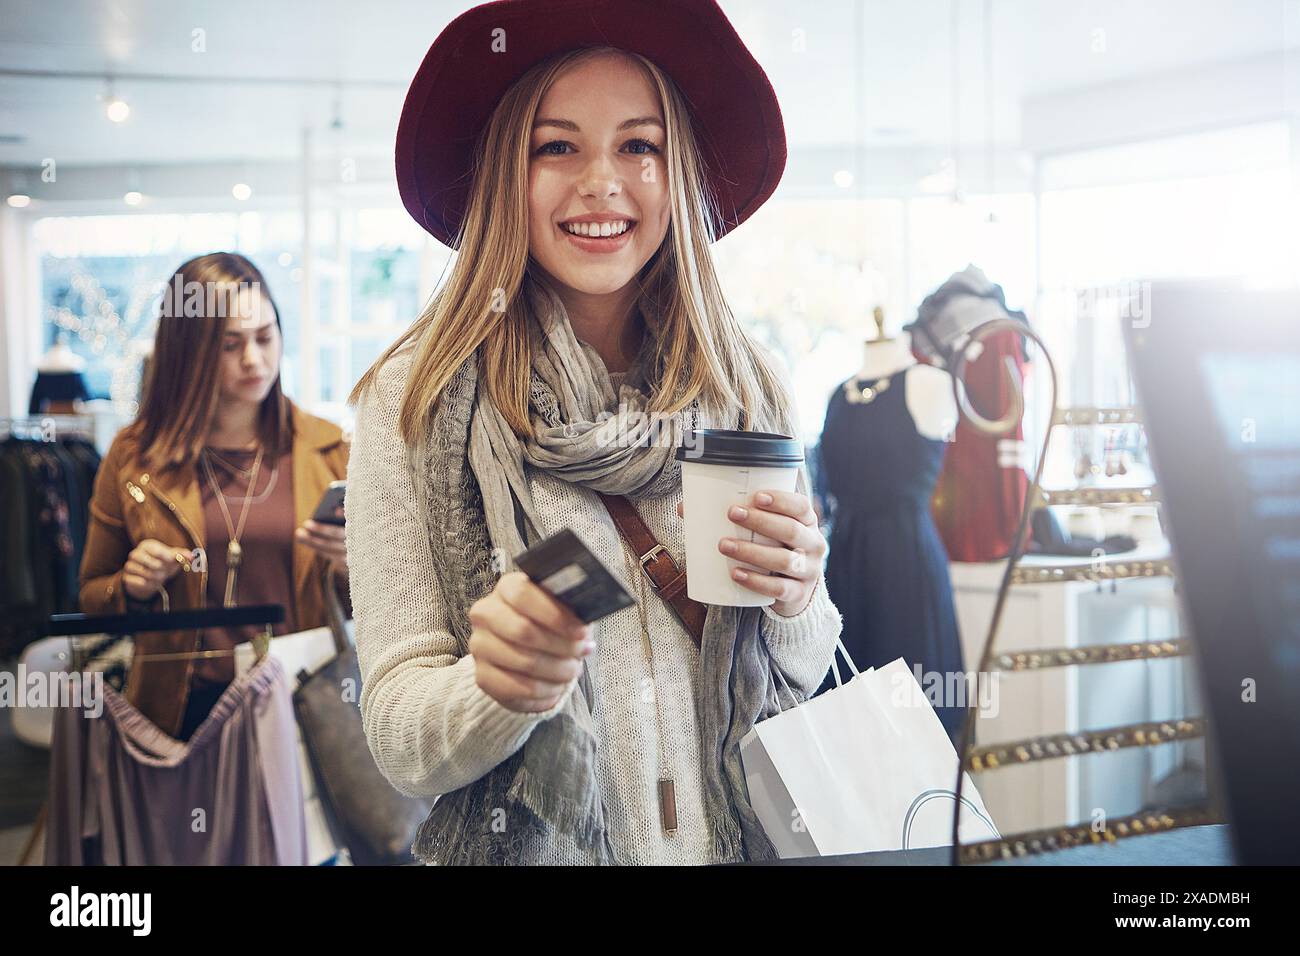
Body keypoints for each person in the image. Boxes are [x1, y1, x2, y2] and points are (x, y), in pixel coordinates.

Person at [347, 0, 844, 866]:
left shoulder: (743, 385)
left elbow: (798, 671)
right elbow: (398, 738)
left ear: (675, 168)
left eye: (638, 145)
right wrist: (497, 689)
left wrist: (801, 599)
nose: (601, 181)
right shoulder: (418, 396)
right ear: (509, 170)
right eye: (557, 146)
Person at [79, 252, 350, 741]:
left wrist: (352, 566)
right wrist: (132, 586)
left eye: (265, 337)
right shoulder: (135, 455)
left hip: (299, 703)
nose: (254, 359)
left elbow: (386, 603)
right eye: (231, 344)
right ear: (190, 352)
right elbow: (92, 596)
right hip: (178, 713)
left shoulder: (329, 450)